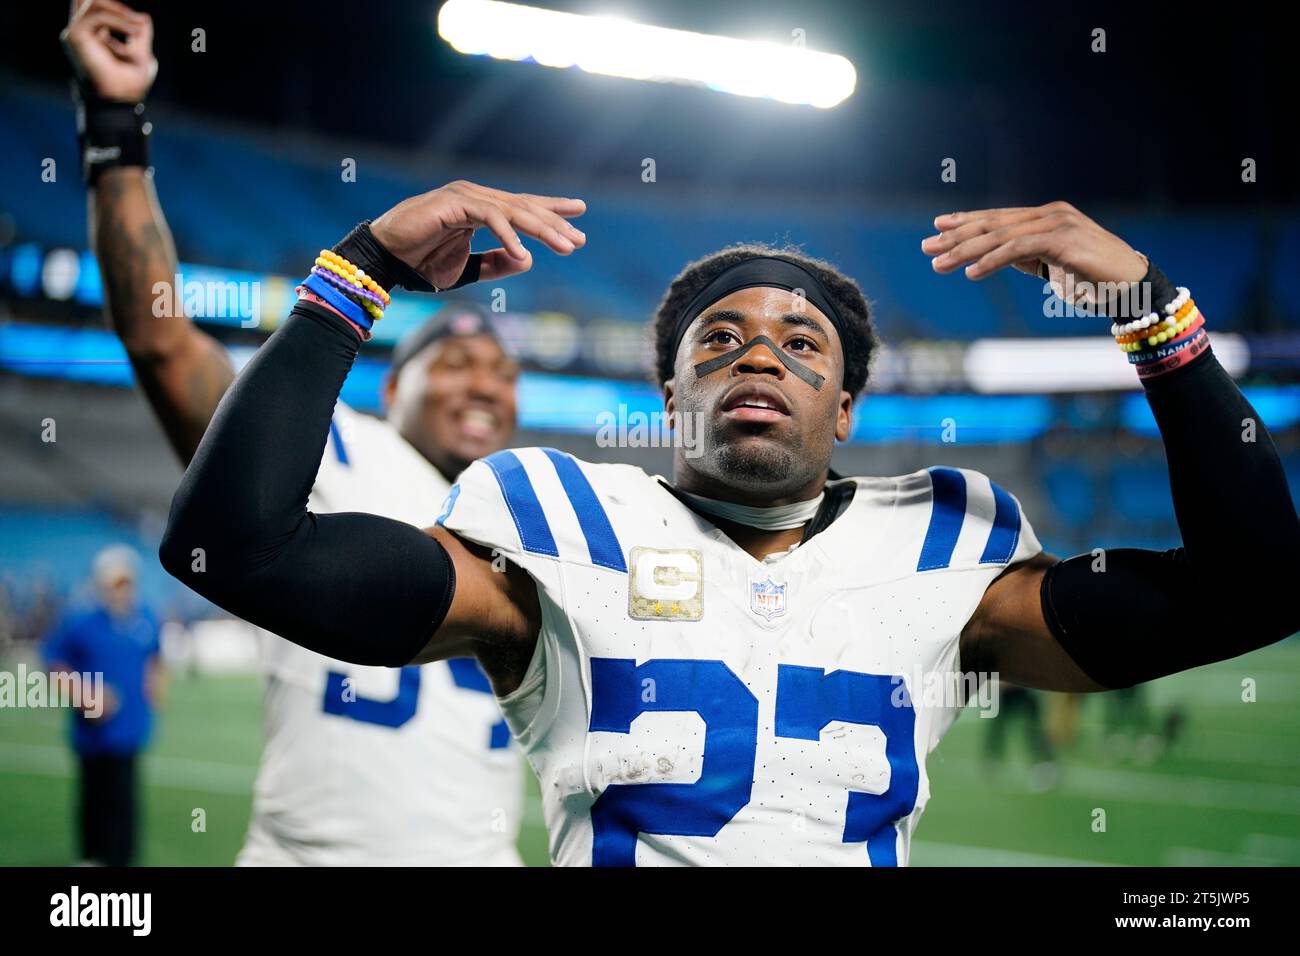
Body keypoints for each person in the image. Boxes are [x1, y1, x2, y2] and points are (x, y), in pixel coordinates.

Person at [157, 177, 1300, 866]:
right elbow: (236, 549)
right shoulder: (556, 528)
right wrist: (355, 274)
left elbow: (1255, 589)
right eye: (718, 338)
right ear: (670, 398)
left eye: (803, 344)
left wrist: (1154, 315)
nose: (757, 349)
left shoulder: (947, 552)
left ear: (846, 404)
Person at [63, 0, 553, 865]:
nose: (488, 384)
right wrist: (113, 125)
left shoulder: (537, 515)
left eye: (506, 376)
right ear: (396, 384)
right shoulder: (333, 447)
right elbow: (159, 335)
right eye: (460, 363)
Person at [44, 546, 164, 866]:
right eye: (116, 583)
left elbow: (154, 656)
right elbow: (54, 663)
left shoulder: (146, 617)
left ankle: (121, 858)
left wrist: (154, 686)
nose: (122, 590)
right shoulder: (80, 621)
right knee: (93, 796)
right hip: (92, 731)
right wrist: (83, 694)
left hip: (130, 729)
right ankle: (92, 855)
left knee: (124, 798)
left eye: (127, 582)